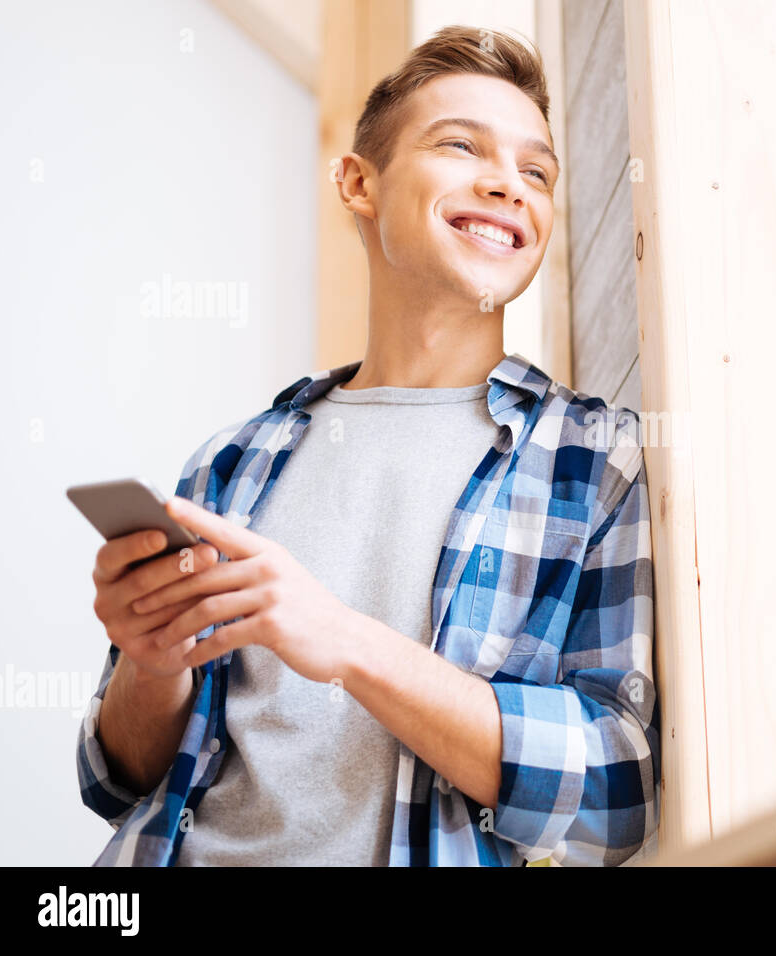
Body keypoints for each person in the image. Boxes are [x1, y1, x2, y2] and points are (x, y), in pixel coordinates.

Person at [76, 24, 658, 867]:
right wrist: (151, 659)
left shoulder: (593, 459)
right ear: (358, 183)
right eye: (462, 145)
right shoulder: (231, 465)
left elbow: (618, 792)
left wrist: (348, 642)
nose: (507, 184)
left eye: (536, 171)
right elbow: (116, 781)